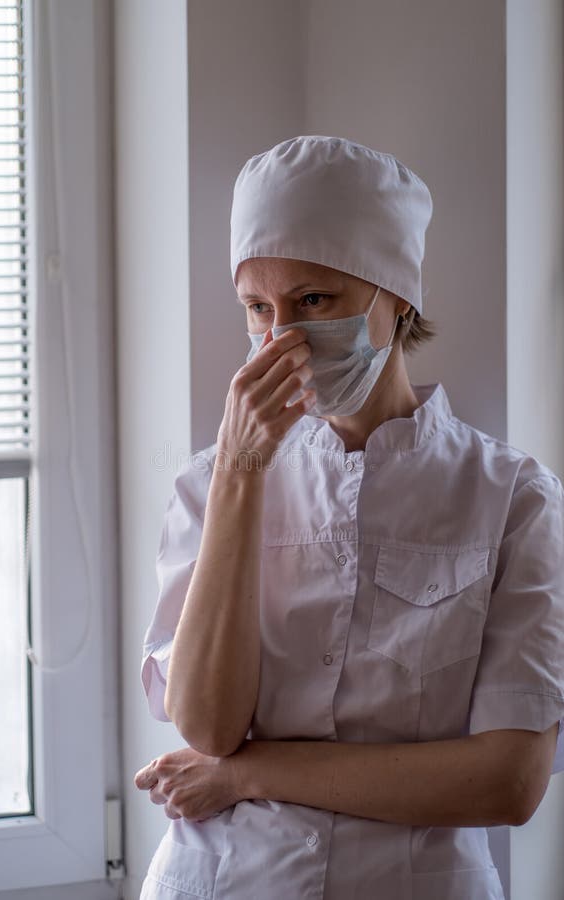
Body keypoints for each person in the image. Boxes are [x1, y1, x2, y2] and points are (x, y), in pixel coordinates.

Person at [134, 136, 564, 900]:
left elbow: (508, 782)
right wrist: (240, 475)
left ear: (397, 298)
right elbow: (205, 727)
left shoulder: (512, 499)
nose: (280, 338)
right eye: (258, 309)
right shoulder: (207, 486)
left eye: (313, 302)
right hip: (224, 881)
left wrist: (248, 774)